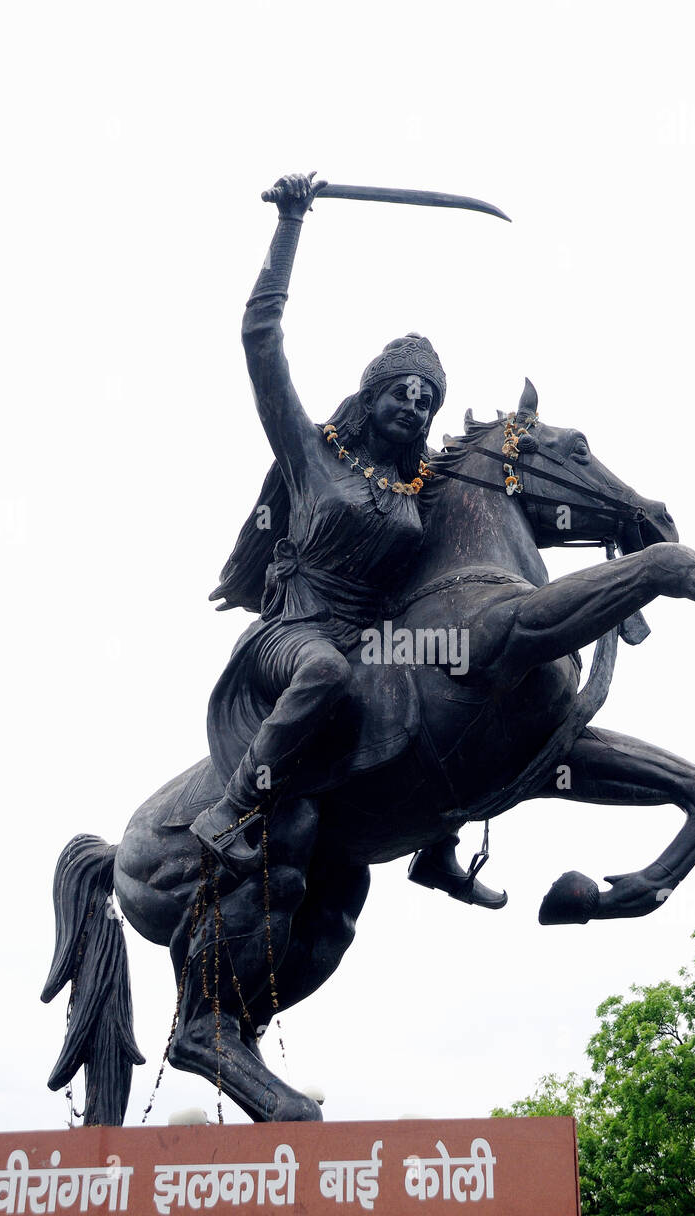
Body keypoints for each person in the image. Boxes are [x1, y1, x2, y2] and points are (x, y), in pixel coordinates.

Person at [190, 173, 505, 909]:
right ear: (373, 396)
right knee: (327, 671)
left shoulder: (413, 491)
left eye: (427, 399)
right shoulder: (312, 457)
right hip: (291, 638)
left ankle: (439, 845)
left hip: (373, 644)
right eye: (404, 391)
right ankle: (231, 810)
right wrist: (291, 224)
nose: (416, 404)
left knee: (475, 666)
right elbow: (259, 338)